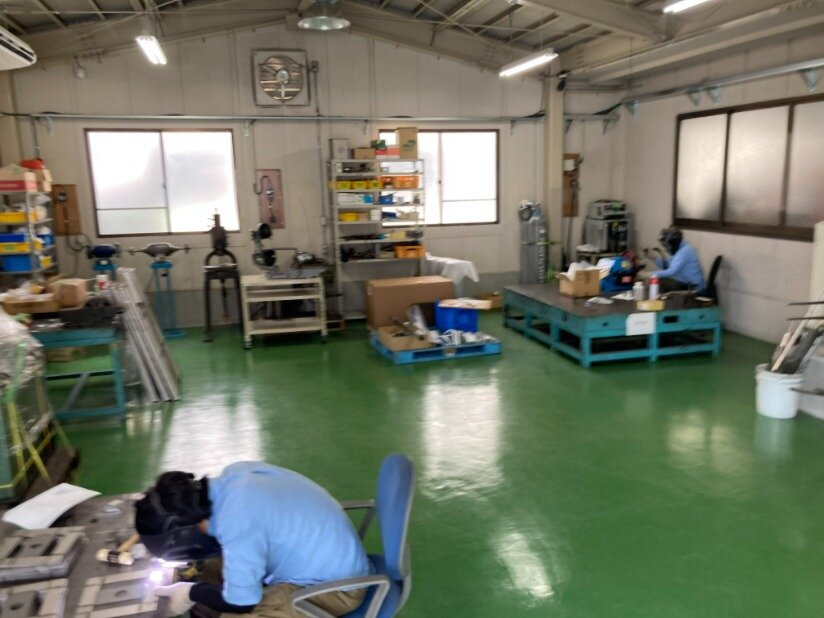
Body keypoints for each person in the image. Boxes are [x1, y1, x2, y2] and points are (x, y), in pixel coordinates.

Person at [135, 461, 369, 617]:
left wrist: (190, 593)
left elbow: (242, 603)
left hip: (337, 587)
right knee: (213, 569)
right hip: (321, 554)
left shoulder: (238, 521)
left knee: (230, 609)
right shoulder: (233, 476)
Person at [649, 227, 705, 293]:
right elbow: (667, 267)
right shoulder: (678, 249)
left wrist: (648, 274)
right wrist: (654, 258)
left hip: (696, 290)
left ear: (674, 243)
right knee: (659, 280)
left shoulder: (685, 251)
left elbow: (670, 272)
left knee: (658, 281)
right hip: (686, 285)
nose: (666, 248)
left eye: (667, 246)